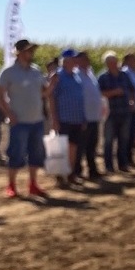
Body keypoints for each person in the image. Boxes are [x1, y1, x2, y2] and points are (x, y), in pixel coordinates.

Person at [0, 39, 48, 198]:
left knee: (36, 154)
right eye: (28, 51)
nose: (31, 53)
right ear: (19, 53)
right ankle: (11, 185)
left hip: (37, 120)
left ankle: (33, 184)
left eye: (32, 50)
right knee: (16, 154)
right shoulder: (8, 72)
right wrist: (9, 114)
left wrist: (51, 86)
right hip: (19, 122)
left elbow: (43, 93)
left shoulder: (36, 71)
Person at [48, 49, 86, 186]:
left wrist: (83, 118)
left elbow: (81, 99)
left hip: (76, 119)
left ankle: (71, 174)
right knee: (61, 148)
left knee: (73, 147)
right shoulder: (57, 76)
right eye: (74, 59)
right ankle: (59, 176)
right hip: (63, 119)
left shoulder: (77, 76)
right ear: (66, 61)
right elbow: (51, 98)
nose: (76, 61)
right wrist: (54, 119)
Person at [98, 51, 134, 173]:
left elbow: (132, 89)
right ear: (106, 64)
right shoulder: (103, 77)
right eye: (111, 62)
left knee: (123, 140)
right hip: (110, 114)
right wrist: (114, 92)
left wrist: (132, 101)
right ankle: (109, 166)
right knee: (108, 141)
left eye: (115, 62)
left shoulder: (124, 75)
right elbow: (99, 94)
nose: (114, 64)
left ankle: (123, 164)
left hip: (124, 111)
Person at [74, 52, 102, 180]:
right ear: (78, 61)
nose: (87, 61)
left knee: (92, 145)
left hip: (94, 116)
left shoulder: (91, 74)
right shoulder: (76, 75)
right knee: (81, 146)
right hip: (83, 117)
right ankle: (78, 171)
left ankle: (92, 170)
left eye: (87, 59)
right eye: (83, 59)